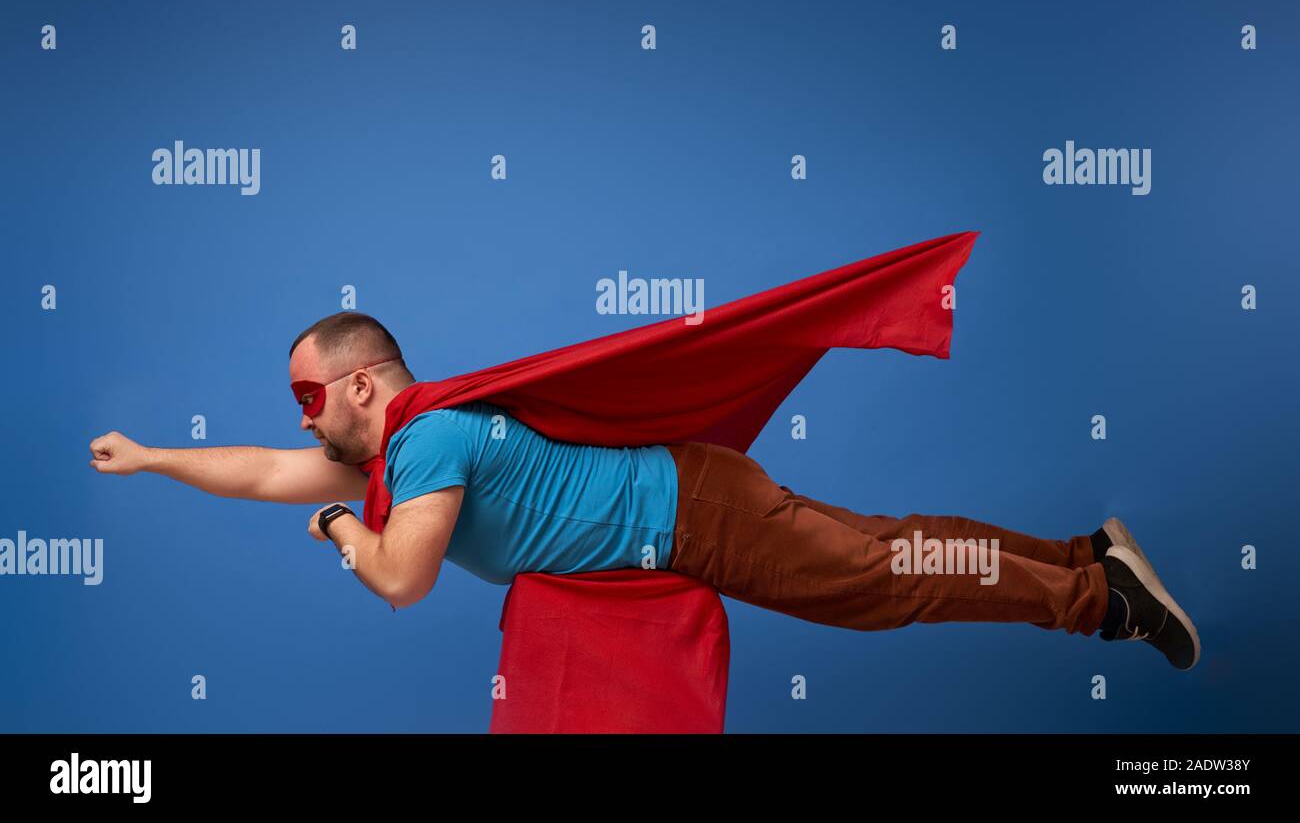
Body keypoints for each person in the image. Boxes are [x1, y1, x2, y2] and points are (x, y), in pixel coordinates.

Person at [89, 311, 1200, 671]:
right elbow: (261, 468)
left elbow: (402, 578)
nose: (302, 422)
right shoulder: (407, 442)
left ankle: (1100, 597)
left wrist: (340, 524)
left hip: (695, 517)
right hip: (694, 497)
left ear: (362, 382)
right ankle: (1081, 554)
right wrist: (149, 457)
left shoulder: (419, 453)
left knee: (882, 576)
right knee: (888, 545)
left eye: (308, 395)